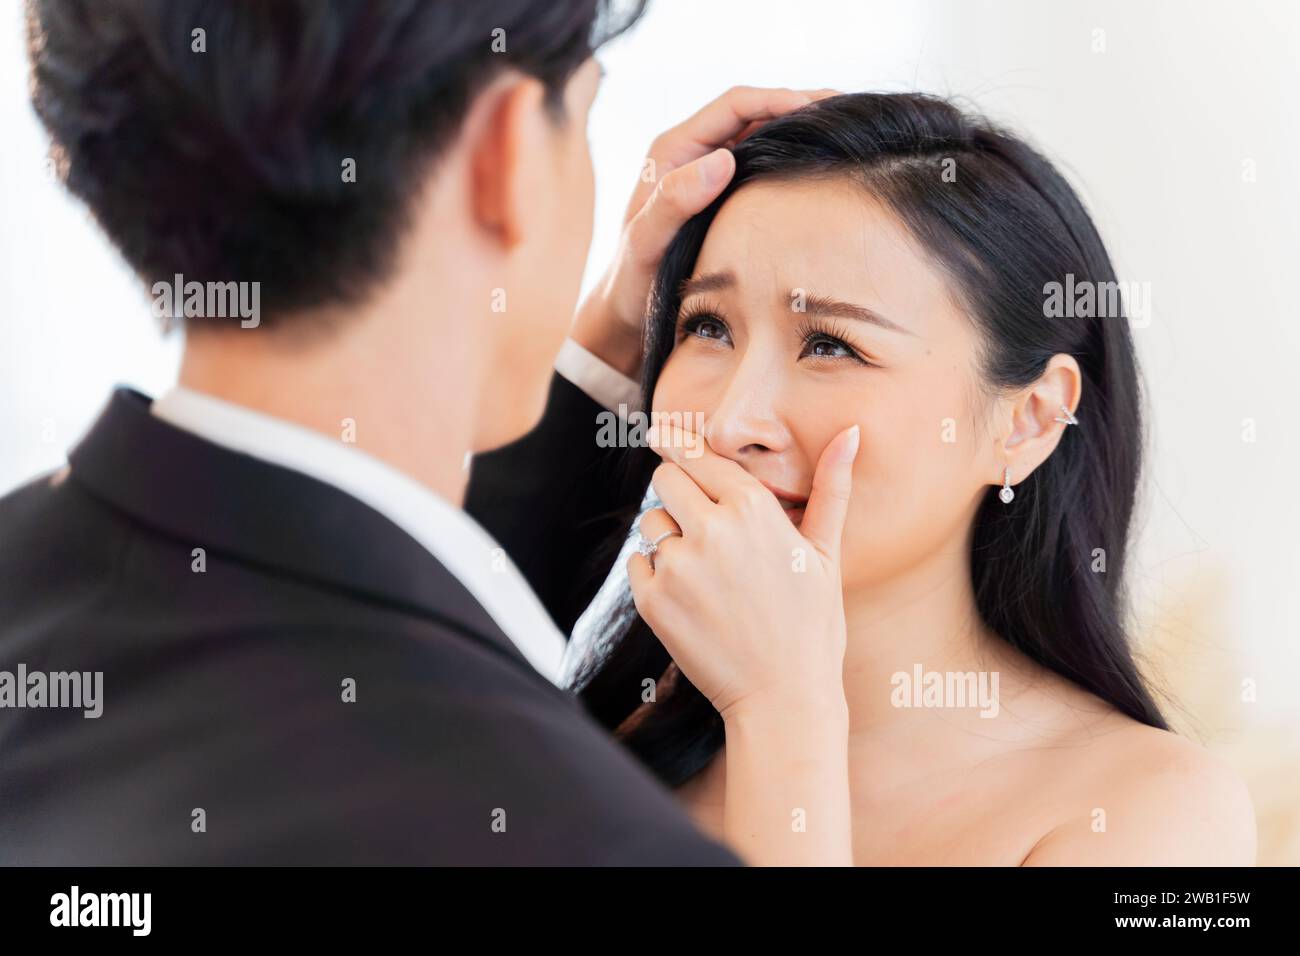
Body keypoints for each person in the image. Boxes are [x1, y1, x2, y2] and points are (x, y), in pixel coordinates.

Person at [0, 0, 827, 864]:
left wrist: (612, 325)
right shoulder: (583, 834)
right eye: (580, 119)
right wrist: (791, 720)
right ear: (504, 152)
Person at [468, 92, 1258, 865]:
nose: (734, 420)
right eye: (706, 326)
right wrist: (612, 324)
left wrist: (782, 715)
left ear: (1029, 419)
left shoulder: (1158, 810)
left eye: (832, 345)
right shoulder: (603, 734)